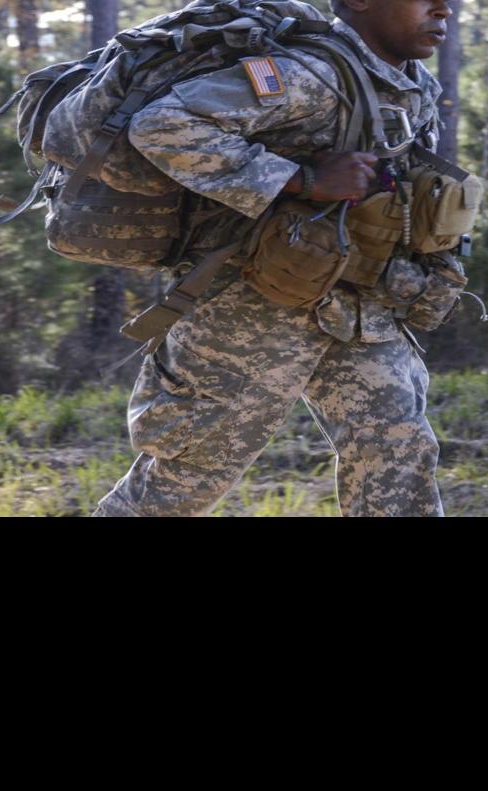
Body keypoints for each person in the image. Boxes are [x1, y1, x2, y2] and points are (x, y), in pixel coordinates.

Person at [92, 0, 466, 517]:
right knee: (183, 484)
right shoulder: (305, 75)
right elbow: (163, 125)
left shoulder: (415, 85)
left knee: (398, 459)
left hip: (356, 308)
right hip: (250, 310)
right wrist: (302, 181)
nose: (443, 9)